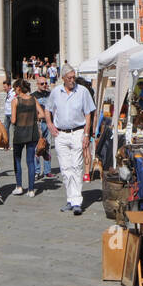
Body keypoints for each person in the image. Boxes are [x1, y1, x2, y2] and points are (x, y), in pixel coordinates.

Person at [45, 66, 96, 215]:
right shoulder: (56, 92)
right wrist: (49, 124)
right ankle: (70, 198)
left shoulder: (82, 92)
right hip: (61, 134)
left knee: (77, 166)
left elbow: (88, 114)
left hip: (78, 132)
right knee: (65, 168)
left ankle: (77, 201)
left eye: (73, 77)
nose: (72, 80)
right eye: (69, 78)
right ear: (63, 79)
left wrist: (87, 134)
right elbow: (48, 109)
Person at [10, 80, 46, 197]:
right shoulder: (33, 99)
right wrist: (33, 117)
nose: (14, 90)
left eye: (15, 88)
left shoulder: (15, 101)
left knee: (17, 160)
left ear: (19, 88)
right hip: (32, 133)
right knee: (30, 161)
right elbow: (42, 114)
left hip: (20, 133)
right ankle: (31, 190)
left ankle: (19, 186)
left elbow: (13, 120)